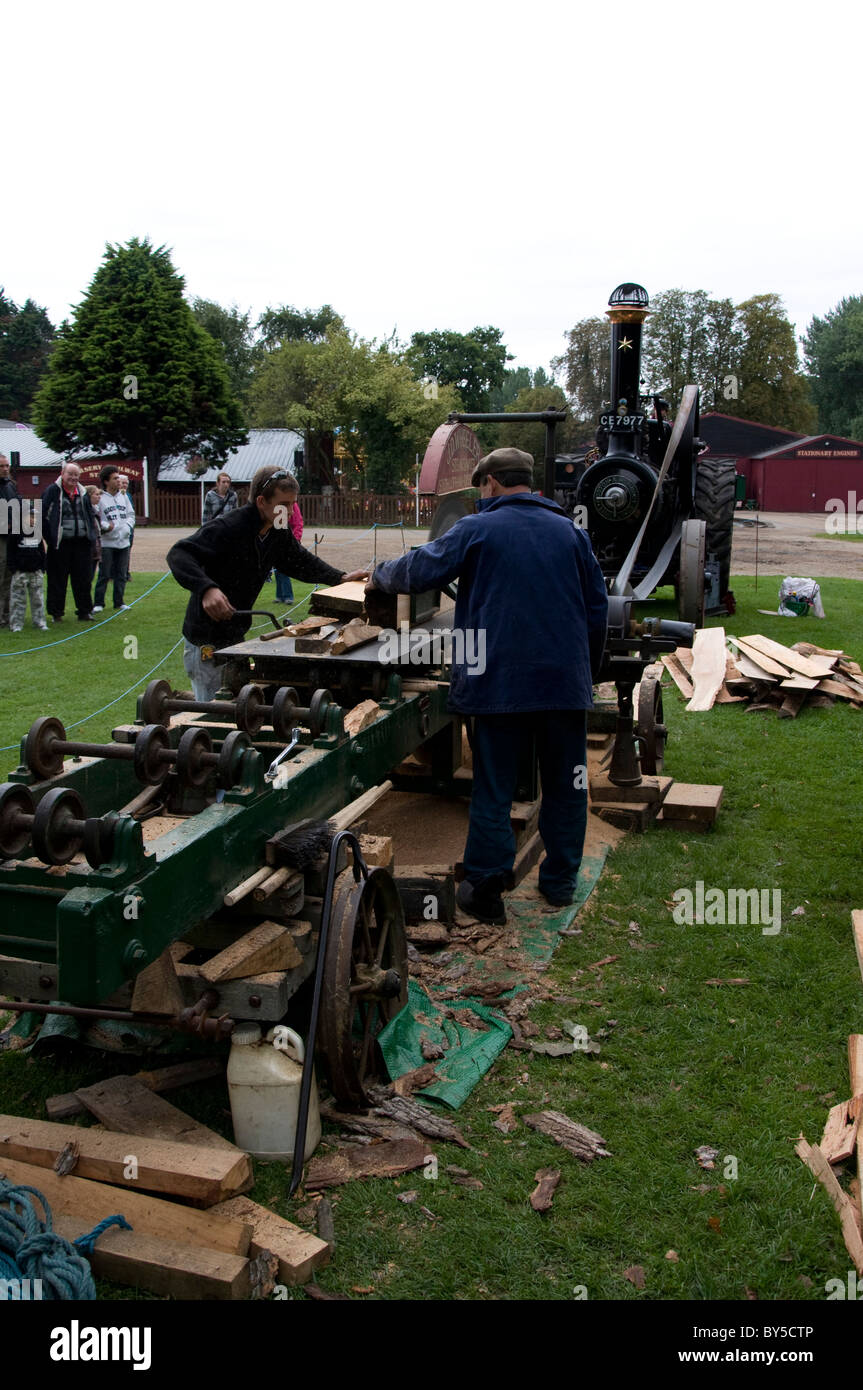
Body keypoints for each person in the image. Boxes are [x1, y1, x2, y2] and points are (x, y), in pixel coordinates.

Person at [366, 447, 609, 924]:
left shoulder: (476, 529)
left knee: (495, 788)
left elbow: (420, 569)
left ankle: (486, 891)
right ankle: (560, 884)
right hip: (564, 686)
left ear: (492, 483)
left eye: (481, 488)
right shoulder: (571, 533)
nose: (480, 496)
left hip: (499, 684)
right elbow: (597, 609)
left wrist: (378, 575)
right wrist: (586, 675)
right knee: (566, 784)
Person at [168, 465, 369, 702]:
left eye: (293, 504)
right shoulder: (229, 527)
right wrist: (207, 589)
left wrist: (340, 577)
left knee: (240, 708)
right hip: (205, 640)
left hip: (235, 636)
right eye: (284, 505)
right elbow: (179, 554)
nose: (291, 512)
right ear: (262, 501)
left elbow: (300, 561)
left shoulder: (276, 531)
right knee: (214, 716)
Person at [41, 462, 99, 622]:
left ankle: (85, 611)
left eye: (76, 475)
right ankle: (56, 613)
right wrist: (51, 538)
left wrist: (91, 536)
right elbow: (42, 516)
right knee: (57, 580)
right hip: (60, 544)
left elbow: (90, 515)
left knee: (83, 579)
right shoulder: (52, 491)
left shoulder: (83, 493)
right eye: (70, 474)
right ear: (62, 474)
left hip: (81, 543)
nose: (73, 478)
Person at [92, 466, 132, 612]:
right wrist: (105, 526)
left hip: (124, 541)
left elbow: (130, 515)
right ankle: (98, 603)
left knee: (121, 574)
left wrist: (127, 527)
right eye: (115, 478)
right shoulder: (101, 498)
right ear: (106, 481)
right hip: (107, 541)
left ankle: (119, 601)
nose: (118, 481)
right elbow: (96, 518)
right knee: (105, 573)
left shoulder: (124, 496)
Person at [8, 503, 47, 631]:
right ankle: (16, 624)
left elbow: (42, 551)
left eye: (35, 517)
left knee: (38, 599)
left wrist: (42, 567)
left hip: (36, 572)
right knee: (17, 600)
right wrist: (13, 569)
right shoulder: (15, 533)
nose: (33, 520)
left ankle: (40, 622)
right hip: (20, 572)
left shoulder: (36, 532)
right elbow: (10, 552)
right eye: (30, 517)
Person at [0, 453, 20, 629]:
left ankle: (6, 616)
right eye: (2, 466)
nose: (6, 469)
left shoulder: (10, 486)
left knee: (9, 577)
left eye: (7, 466)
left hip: (12, 536)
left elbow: (18, 505)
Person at [274, 496, 304, 603]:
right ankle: (279, 595)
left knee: (284, 568)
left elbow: (298, 523)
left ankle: (288, 596)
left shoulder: (292, 505)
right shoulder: (275, 504)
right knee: (277, 569)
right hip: (277, 541)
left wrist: (296, 540)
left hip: (289, 541)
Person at [116, 472, 135, 583]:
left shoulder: (128, 496)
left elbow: (130, 513)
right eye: (122, 483)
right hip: (116, 529)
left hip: (128, 530)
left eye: (126, 483)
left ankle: (125, 573)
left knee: (126, 553)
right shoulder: (114, 496)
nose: (124, 485)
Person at [85, 486, 102, 581]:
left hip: (96, 549)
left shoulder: (96, 510)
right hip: (89, 549)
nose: (99, 497)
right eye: (96, 494)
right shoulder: (87, 511)